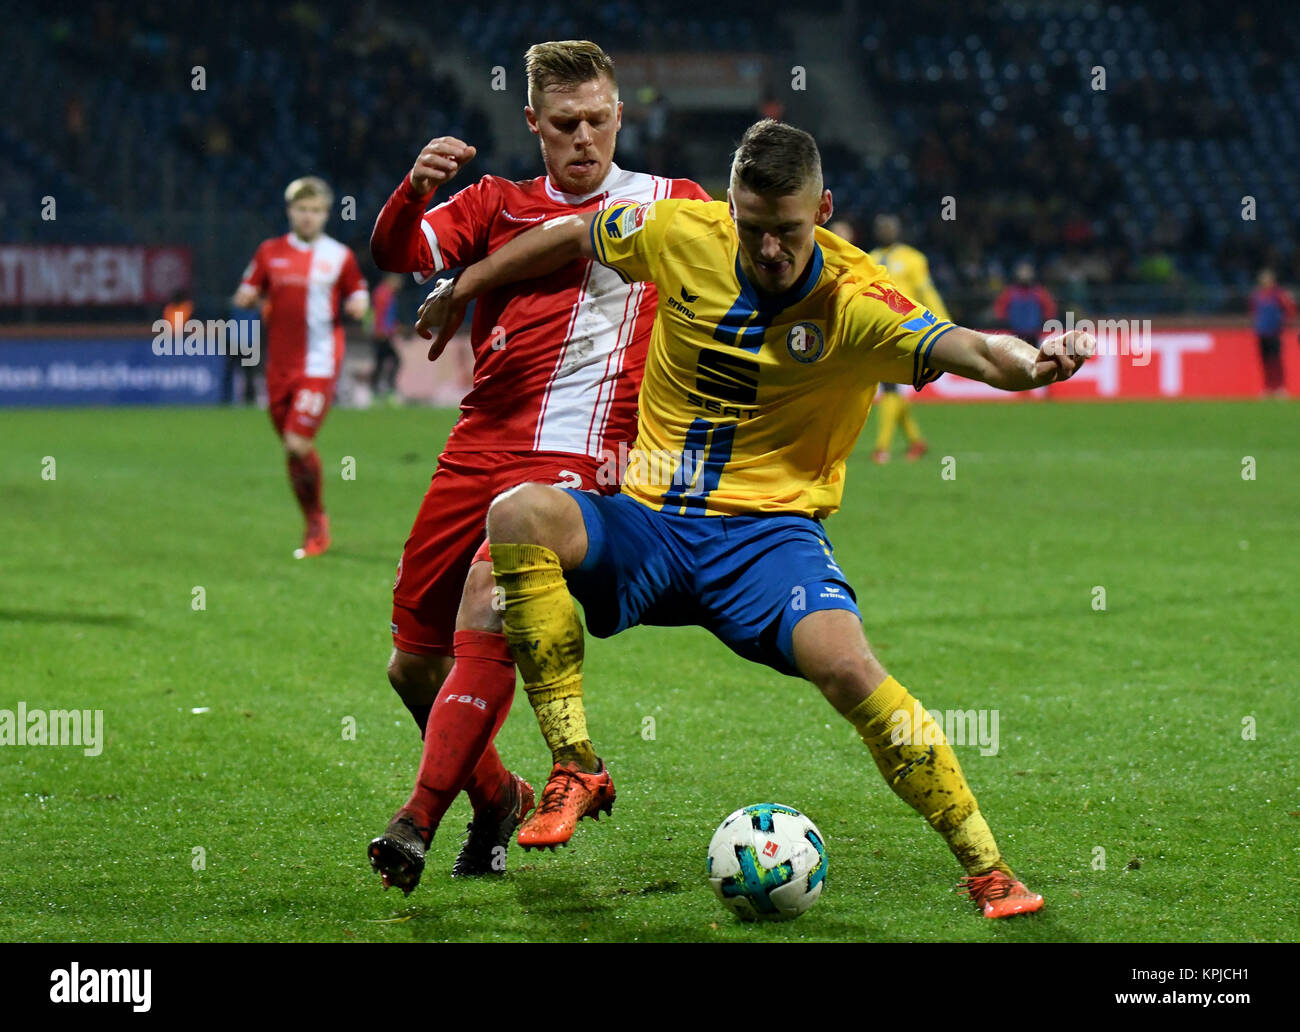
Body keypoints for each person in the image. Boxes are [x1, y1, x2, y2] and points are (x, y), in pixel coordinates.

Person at [418, 119, 1095, 919]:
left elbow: (980, 352)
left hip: (769, 543)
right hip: (653, 523)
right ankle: (575, 762)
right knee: (520, 512)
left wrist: (1038, 361)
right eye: (752, 226)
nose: (769, 249)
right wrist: (465, 285)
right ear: (731, 207)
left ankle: (987, 869)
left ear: (825, 210)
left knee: (848, 667)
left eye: (788, 231)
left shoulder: (859, 301)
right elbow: (573, 234)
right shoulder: (679, 231)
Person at [365, 40, 710, 894]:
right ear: (533, 124)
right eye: (564, 124)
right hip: (476, 444)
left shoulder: (673, 202)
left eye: (598, 119)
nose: (584, 138)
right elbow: (400, 255)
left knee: (491, 590)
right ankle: (498, 798)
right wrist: (412, 193)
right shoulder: (493, 201)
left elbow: (754, 244)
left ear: (621, 115)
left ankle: (415, 818)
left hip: (584, 458)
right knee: (411, 666)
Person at [234, 176, 369, 558]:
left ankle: (317, 522)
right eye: (301, 210)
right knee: (292, 450)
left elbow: (358, 290)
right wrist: (245, 296)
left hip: (320, 364)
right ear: (290, 211)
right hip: (278, 367)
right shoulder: (269, 252)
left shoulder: (339, 256)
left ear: (325, 214)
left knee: (297, 442)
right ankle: (312, 516)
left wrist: (359, 304)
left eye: (315, 211)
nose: (308, 217)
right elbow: (249, 288)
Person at [863, 213, 952, 463]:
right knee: (890, 386)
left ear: (899, 229)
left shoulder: (913, 259)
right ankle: (916, 442)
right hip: (879, 329)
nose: (885, 230)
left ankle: (881, 448)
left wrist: (945, 323)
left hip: (909, 327)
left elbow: (926, 291)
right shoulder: (869, 258)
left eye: (890, 226)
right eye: (881, 226)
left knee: (889, 386)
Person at [1248, 268, 1294, 397]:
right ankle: (1268, 388)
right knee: (1265, 362)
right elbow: (1254, 312)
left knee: (1277, 361)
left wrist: (1283, 322)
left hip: (1274, 332)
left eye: (1267, 279)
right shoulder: (1256, 296)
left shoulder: (1278, 294)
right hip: (1262, 332)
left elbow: (1289, 308)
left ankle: (1280, 387)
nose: (1265, 282)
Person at [993, 261, 1056, 349]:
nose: (1025, 274)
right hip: (1014, 335)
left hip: (1035, 336)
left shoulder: (1040, 292)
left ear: (1032, 274)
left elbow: (1050, 310)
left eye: (1027, 272)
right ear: (1017, 274)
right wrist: (1005, 324)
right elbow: (999, 311)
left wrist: (1044, 324)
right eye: (1022, 272)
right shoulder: (1009, 292)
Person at [369, 272, 404, 404]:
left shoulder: (386, 293)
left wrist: (394, 326)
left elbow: (388, 314)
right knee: (393, 361)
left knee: (382, 362)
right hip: (381, 334)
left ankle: (377, 391)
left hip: (383, 333)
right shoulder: (383, 293)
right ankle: (385, 390)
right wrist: (382, 330)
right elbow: (380, 313)